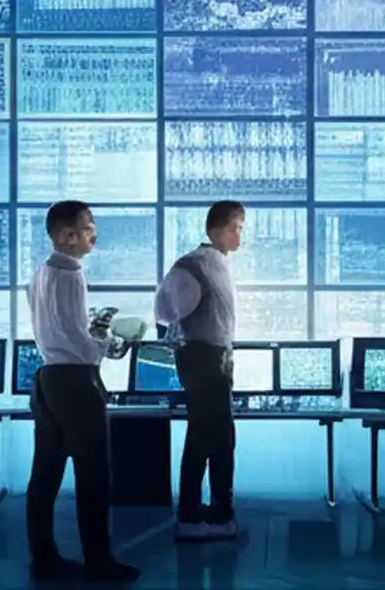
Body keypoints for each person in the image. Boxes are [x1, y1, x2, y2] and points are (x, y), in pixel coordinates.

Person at [25, 200, 140, 583]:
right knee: (93, 475)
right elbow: (77, 336)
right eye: (88, 228)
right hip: (76, 381)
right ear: (65, 236)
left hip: (46, 378)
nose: (94, 234)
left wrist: (92, 328)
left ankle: (43, 557)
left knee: (45, 474)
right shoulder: (72, 272)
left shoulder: (40, 274)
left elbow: (58, 328)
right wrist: (108, 345)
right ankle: (99, 561)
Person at [155, 200, 244, 542]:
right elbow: (165, 311)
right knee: (207, 438)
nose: (239, 236)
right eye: (236, 227)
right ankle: (194, 516)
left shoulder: (216, 263)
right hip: (203, 359)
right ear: (216, 229)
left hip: (212, 358)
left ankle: (214, 513)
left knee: (218, 438)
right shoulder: (194, 264)